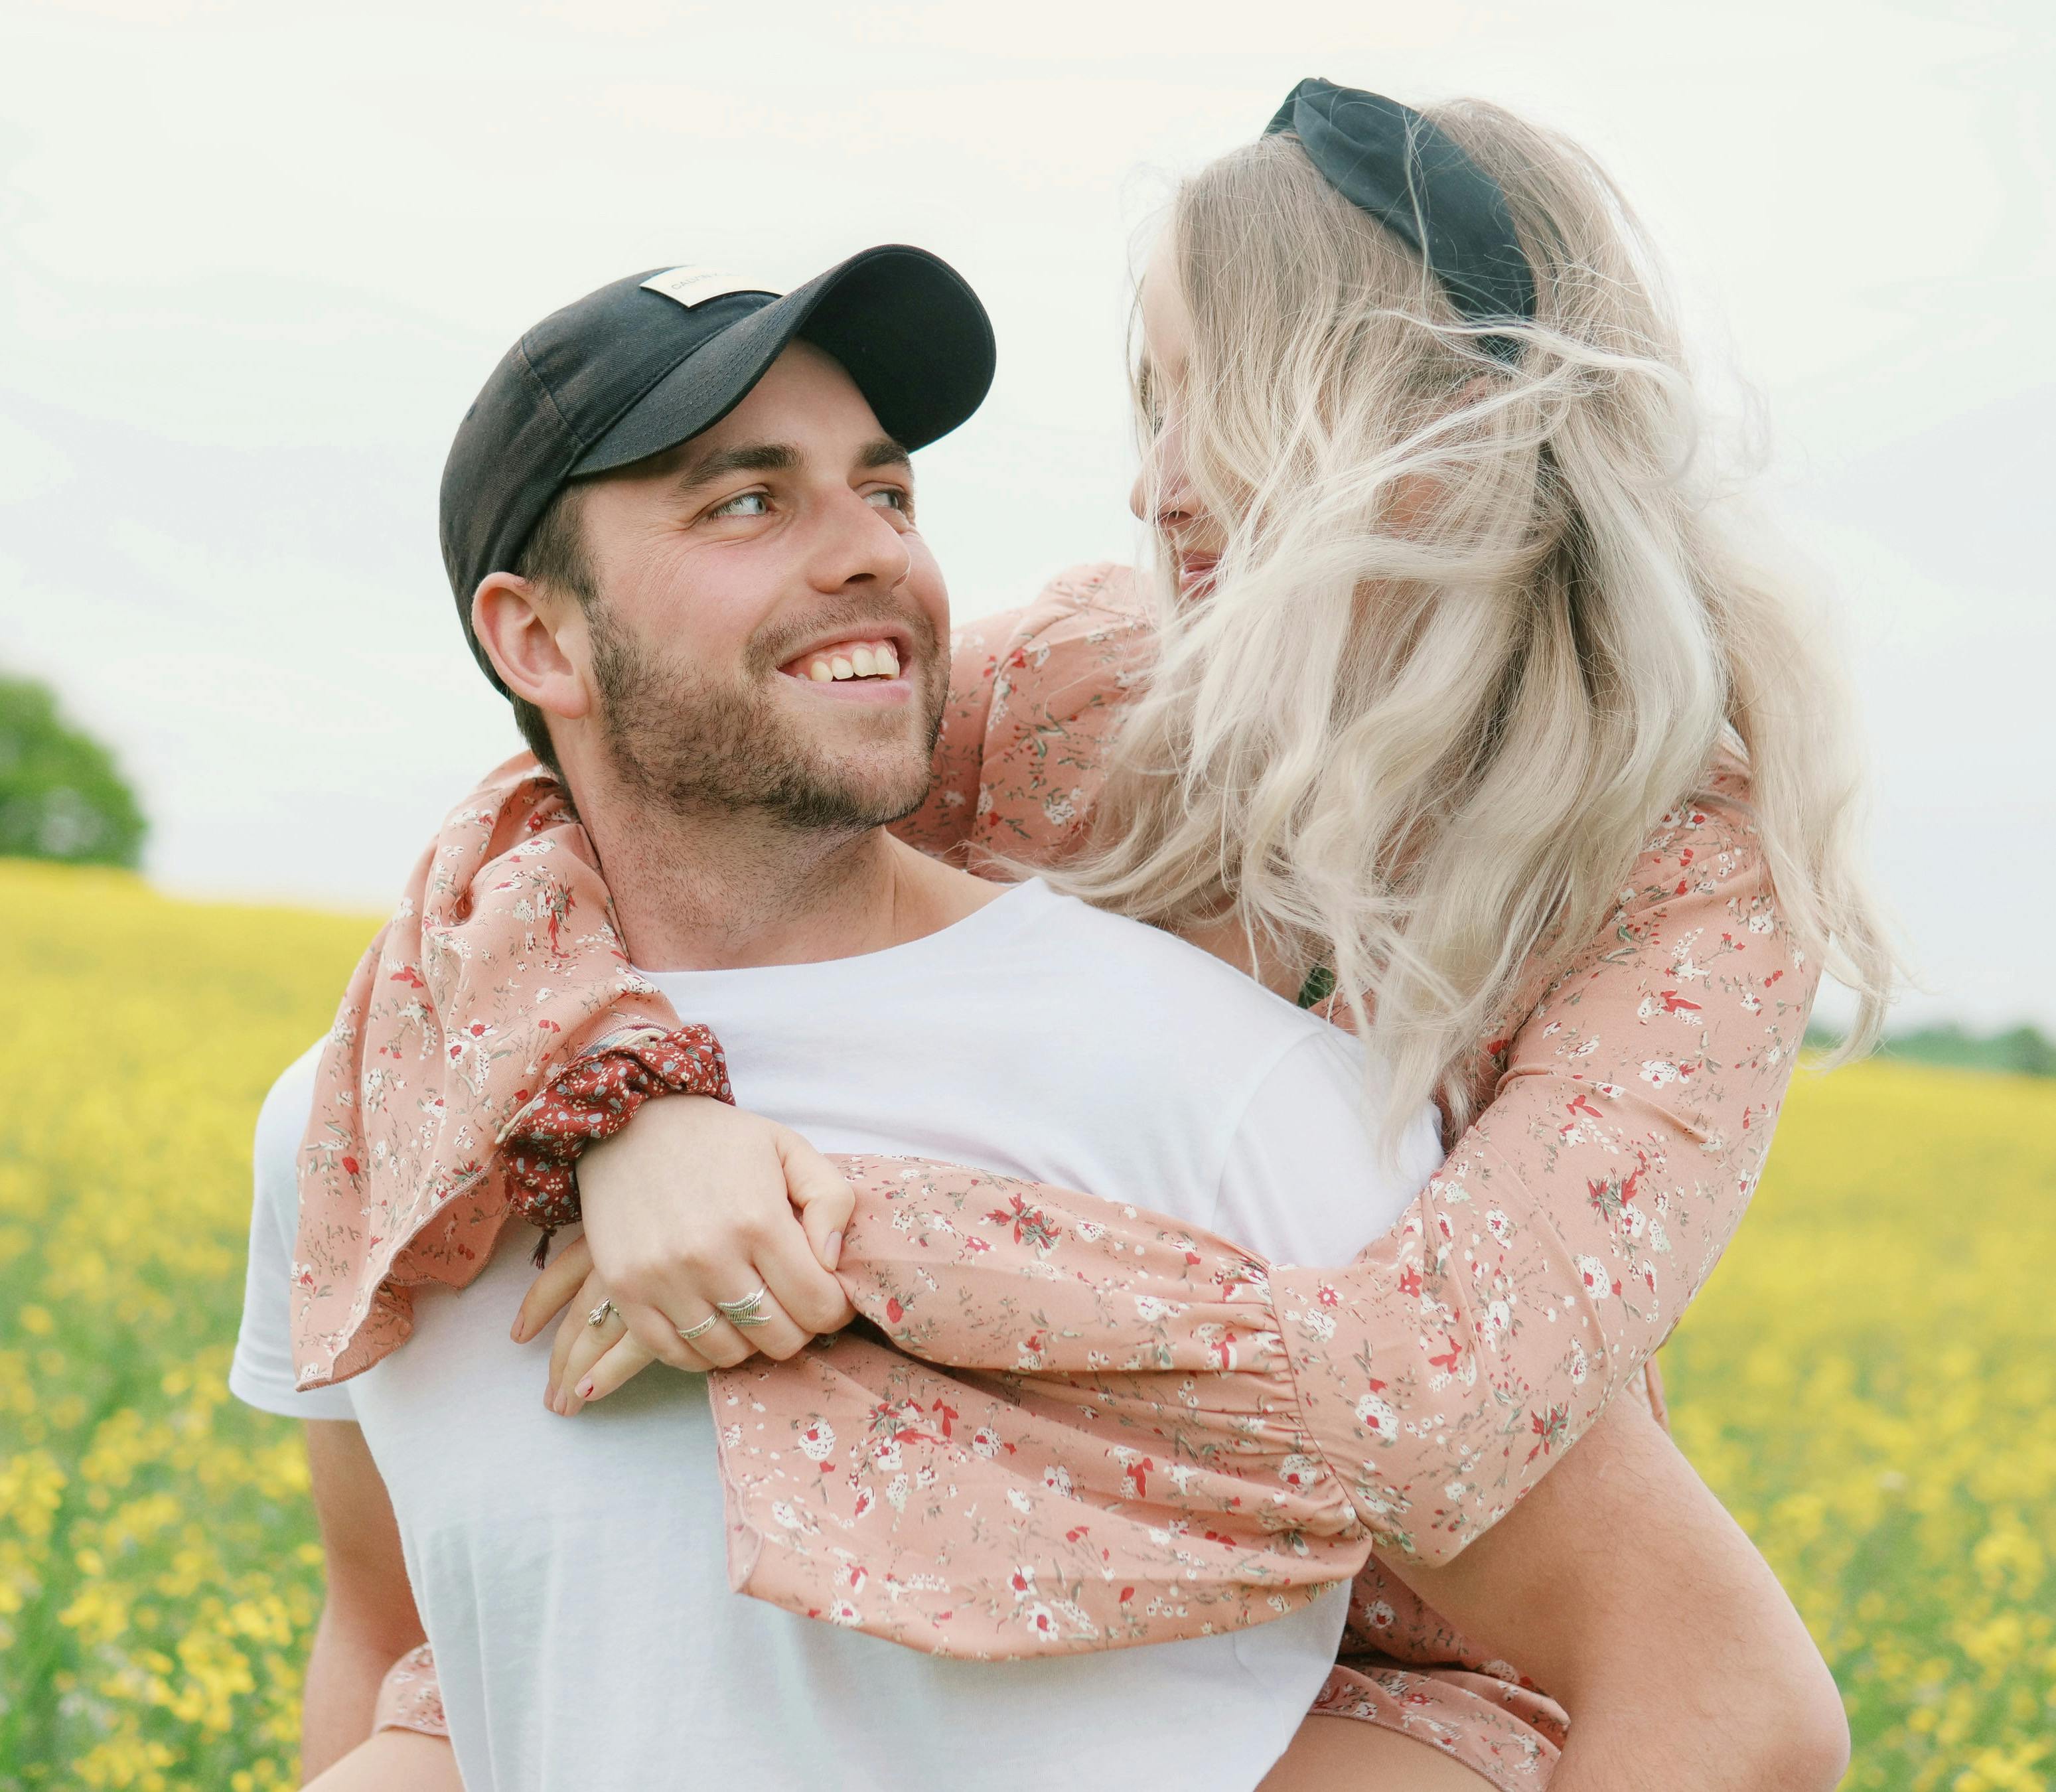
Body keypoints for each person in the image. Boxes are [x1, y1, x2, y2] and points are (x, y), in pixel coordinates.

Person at [255, 78, 1887, 1790]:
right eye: (1143, 401)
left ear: (1405, 416)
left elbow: (1430, 1408)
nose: (1145, 484)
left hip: (1399, 1634)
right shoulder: (1095, 679)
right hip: (840, 1536)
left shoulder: (1694, 881)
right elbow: (605, 810)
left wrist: (847, 1236)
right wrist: (625, 1105)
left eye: (1205, 402)